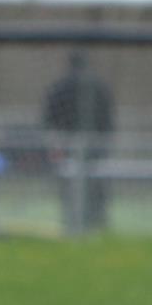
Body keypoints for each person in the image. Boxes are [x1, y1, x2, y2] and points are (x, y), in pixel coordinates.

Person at [41, 50, 114, 235]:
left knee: (70, 186)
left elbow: (47, 120)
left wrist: (56, 143)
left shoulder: (60, 87)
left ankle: (72, 221)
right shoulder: (99, 86)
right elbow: (109, 121)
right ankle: (95, 222)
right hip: (95, 145)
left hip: (69, 145)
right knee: (95, 184)